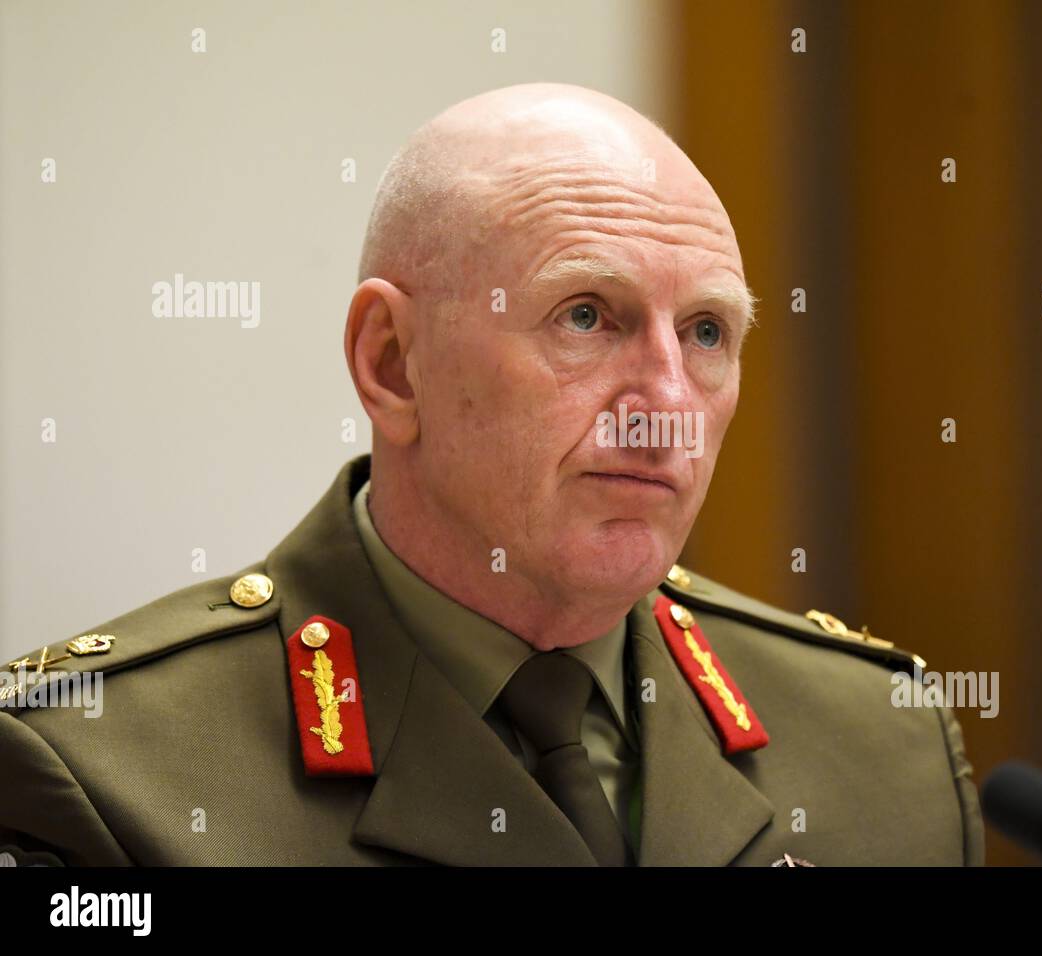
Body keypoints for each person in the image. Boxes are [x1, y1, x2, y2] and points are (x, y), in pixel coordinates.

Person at [0, 83, 983, 866]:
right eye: (587, 315)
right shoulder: (102, 769)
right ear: (392, 362)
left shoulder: (879, 743)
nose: (667, 401)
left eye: (707, 331)